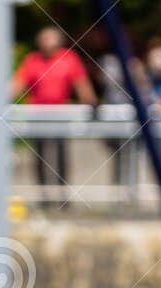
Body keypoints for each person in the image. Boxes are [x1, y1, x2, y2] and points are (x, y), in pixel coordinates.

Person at [8, 25, 96, 197]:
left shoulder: (69, 58)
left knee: (61, 153)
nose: (47, 42)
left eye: (50, 38)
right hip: (38, 114)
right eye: (44, 38)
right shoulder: (32, 60)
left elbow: (81, 83)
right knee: (40, 155)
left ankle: (62, 194)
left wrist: (91, 102)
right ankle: (44, 195)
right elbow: (17, 83)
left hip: (61, 114)